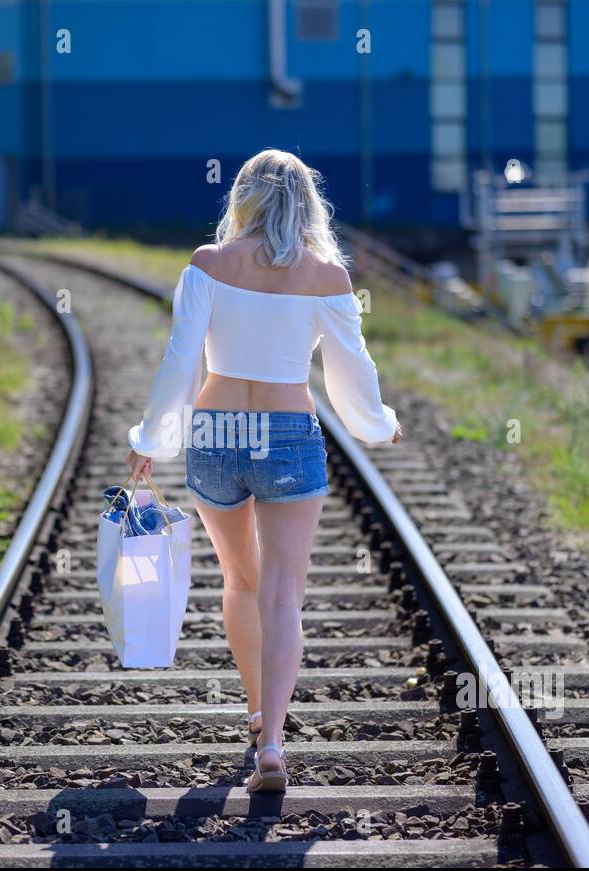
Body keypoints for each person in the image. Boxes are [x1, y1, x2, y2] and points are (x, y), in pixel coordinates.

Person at [124, 148, 402, 792]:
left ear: (242, 200)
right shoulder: (328, 276)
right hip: (285, 432)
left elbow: (180, 360)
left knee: (241, 583)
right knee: (282, 594)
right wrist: (378, 423)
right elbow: (350, 372)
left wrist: (153, 437)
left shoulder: (208, 264)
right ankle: (272, 744)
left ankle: (254, 714)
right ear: (308, 204)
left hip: (216, 431)